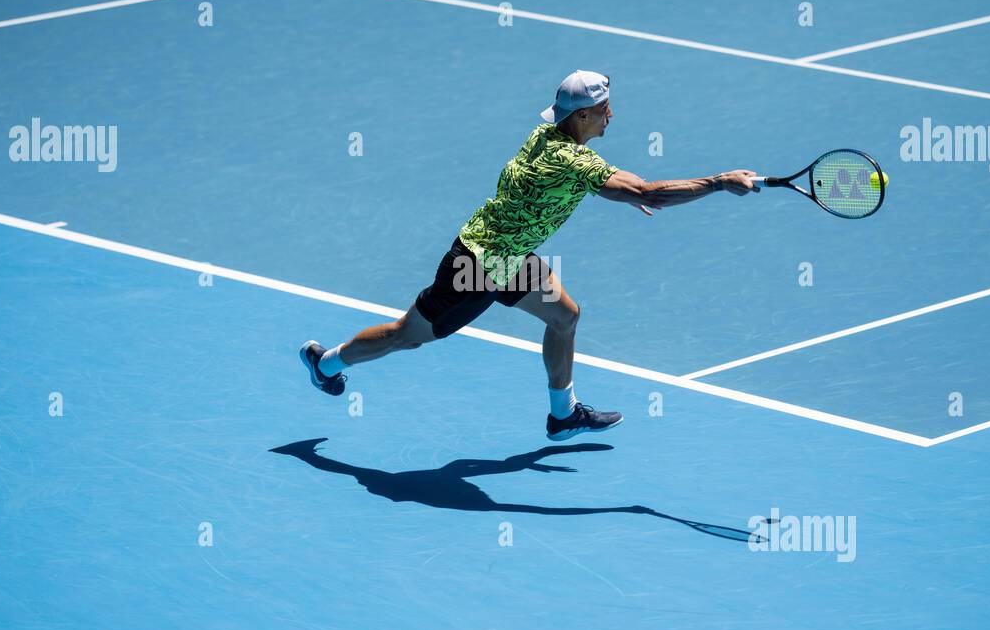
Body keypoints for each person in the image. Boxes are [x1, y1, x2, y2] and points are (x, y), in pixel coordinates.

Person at [300, 70, 759, 440]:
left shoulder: (548, 137)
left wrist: (631, 192)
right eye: (603, 110)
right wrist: (716, 182)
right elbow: (648, 192)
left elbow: (626, 186)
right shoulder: (575, 162)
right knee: (407, 336)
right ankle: (327, 364)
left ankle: (563, 415)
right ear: (581, 118)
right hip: (477, 267)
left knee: (565, 317)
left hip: (509, 258)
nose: (611, 116)